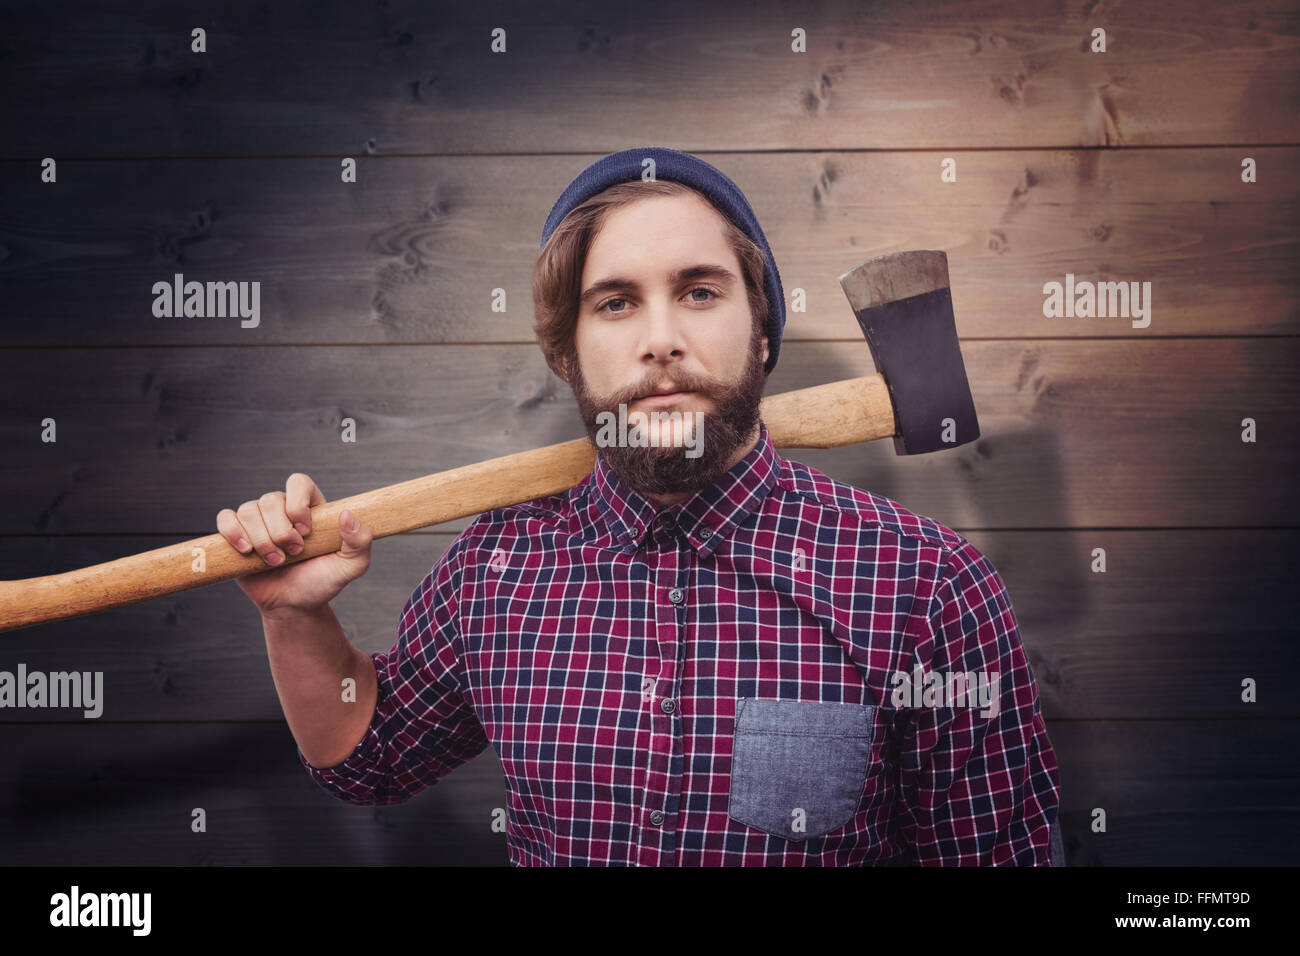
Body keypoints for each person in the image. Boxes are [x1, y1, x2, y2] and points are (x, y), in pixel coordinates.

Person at [216, 147, 1063, 865]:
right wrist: (295, 618)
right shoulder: (494, 567)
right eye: (615, 302)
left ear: (762, 333)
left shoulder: (927, 585)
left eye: (699, 291)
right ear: (568, 354)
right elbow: (370, 762)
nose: (660, 337)